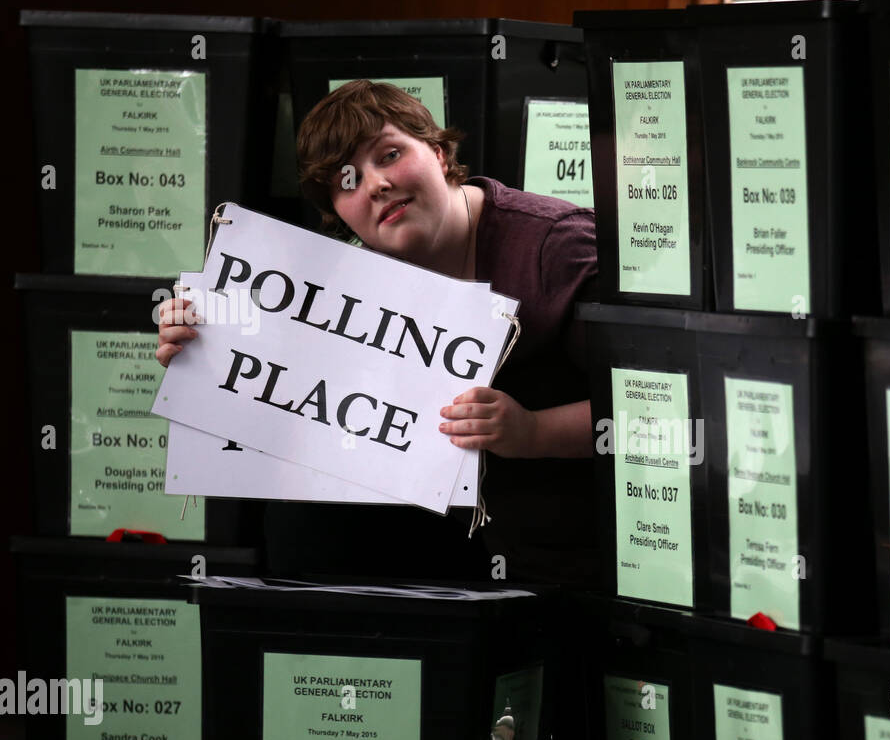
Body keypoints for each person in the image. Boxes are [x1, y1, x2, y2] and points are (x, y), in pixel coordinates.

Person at [156, 80, 600, 586]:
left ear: (437, 151)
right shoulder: (335, 281)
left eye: (389, 155)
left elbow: (657, 410)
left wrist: (533, 432)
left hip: (561, 566)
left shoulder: (556, 246)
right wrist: (200, 353)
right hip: (436, 556)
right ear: (338, 215)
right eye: (346, 182)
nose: (374, 185)